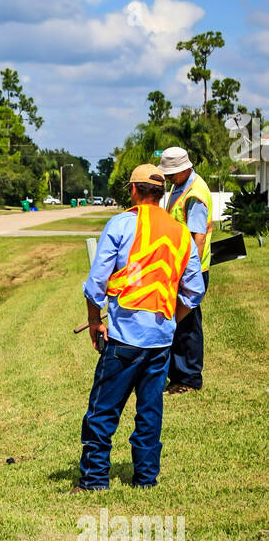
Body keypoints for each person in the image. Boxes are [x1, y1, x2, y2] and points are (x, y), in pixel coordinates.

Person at [77, 164, 205, 491]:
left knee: (102, 413)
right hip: (161, 342)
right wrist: (169, 321)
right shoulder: (180, 232)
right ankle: (146, 480)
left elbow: (96, 284)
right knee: (150, 414)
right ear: (161, 195)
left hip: (123, 340)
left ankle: (93, 482)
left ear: (133, 191)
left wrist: (94, 320)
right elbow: (193, 292)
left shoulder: (121, 224)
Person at [160, 146, 212, 394]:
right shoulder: (180, 186)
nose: (167, 177)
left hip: (191, 270)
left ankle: (189, 379)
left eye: (171, 173)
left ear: (184, 169)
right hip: (179, 267)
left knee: (188, 325)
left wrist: (187, 274)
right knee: (177, 323)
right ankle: (177, 376)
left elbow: (198, 238)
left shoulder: (194, 194)